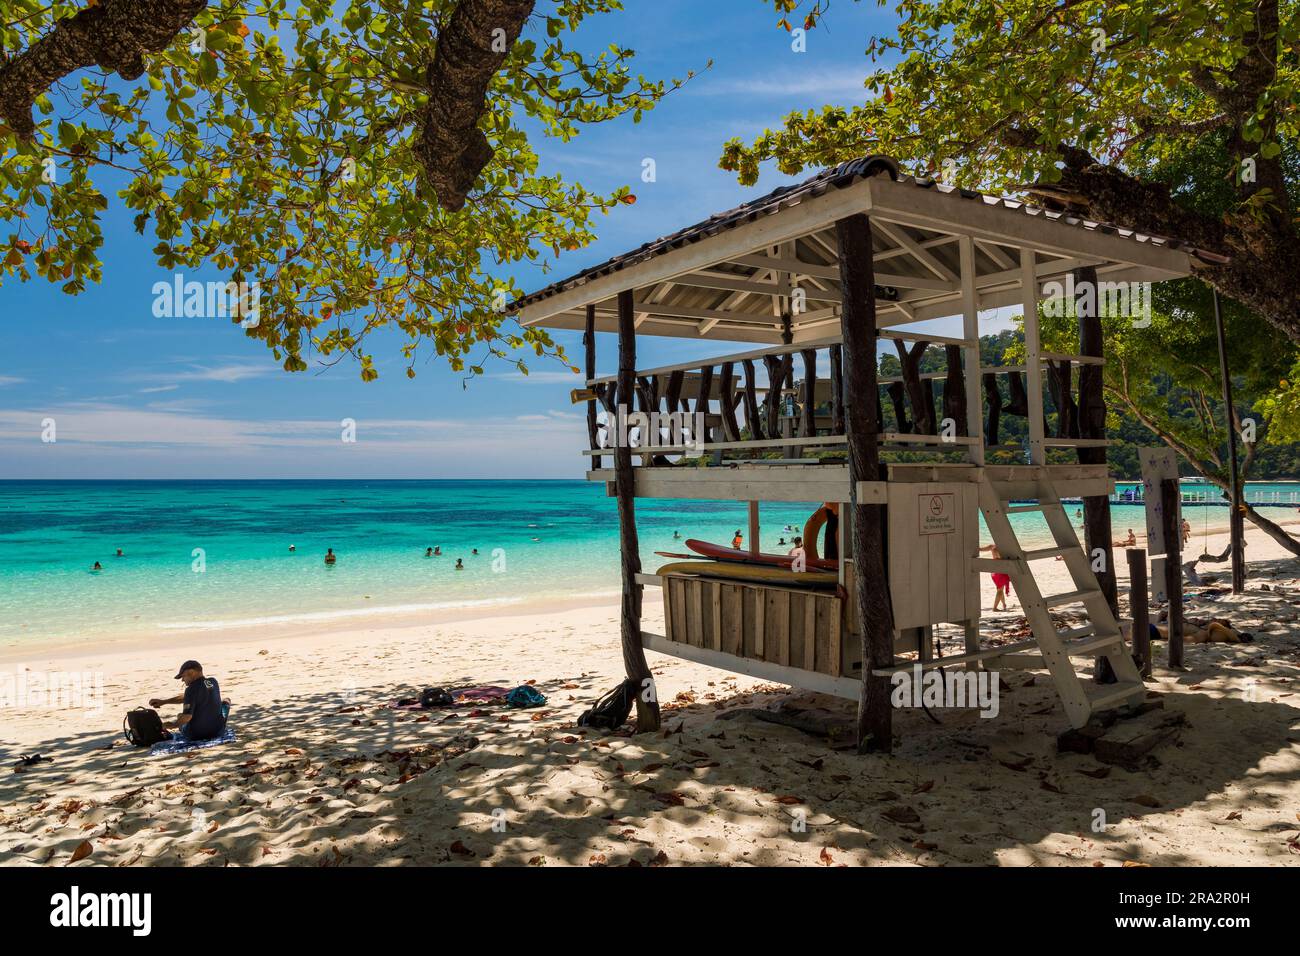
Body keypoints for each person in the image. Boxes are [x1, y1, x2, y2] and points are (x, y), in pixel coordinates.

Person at [149, 660, 227, 742]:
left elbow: (187, 717)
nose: (182, 680)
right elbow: (189, 697)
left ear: (191, 672)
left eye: (183, 676)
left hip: (196, 735)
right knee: (226, 702)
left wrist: (172, 725)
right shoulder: (213, 681)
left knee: (180, 716)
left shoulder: (191, 689)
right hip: (218, 731)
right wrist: (164, 702)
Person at [978, 544, 1012, 611]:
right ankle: (994, 608)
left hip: (994, 571)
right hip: (1001, 571)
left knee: (999, 589)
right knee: (1000, 590)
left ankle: (1004, 604)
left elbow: (980, 549)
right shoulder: (1004, 548)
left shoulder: (992, 546)